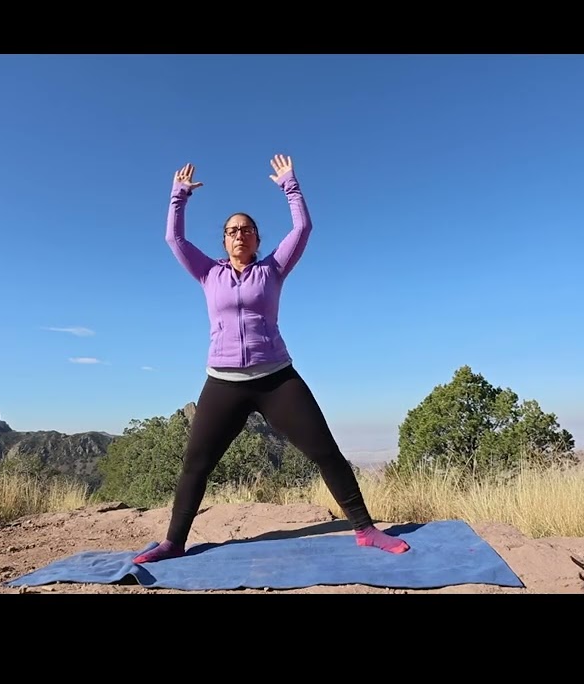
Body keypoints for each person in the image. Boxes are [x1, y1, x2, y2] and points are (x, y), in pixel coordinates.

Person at [134, 154, 409, 565]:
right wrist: (179, 196)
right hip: (223, 381)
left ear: (258, 239)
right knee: (196, 464)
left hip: (276, 378)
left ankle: (366, 530)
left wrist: (289, 185)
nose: (239, 235)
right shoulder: (209, 273)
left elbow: (303, 228)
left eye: (246, 229)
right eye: (231, 231)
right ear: (224, 241)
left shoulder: (273, 269)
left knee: (325, 451)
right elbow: (175, 240)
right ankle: (173, 542)